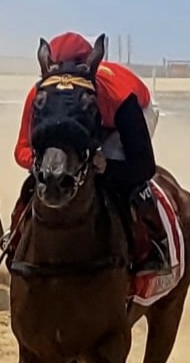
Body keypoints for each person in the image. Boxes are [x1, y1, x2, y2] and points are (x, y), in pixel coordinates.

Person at [12, 31, 167, 275]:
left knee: (117, 175)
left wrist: (108, 167)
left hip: (124, 116)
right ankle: (14, 240)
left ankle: (152, 245)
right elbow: (21, 149)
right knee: (36, 180)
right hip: (88, 122)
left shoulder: (120, 96)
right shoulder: (40, 95)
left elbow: (143, 165)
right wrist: (38, 164)